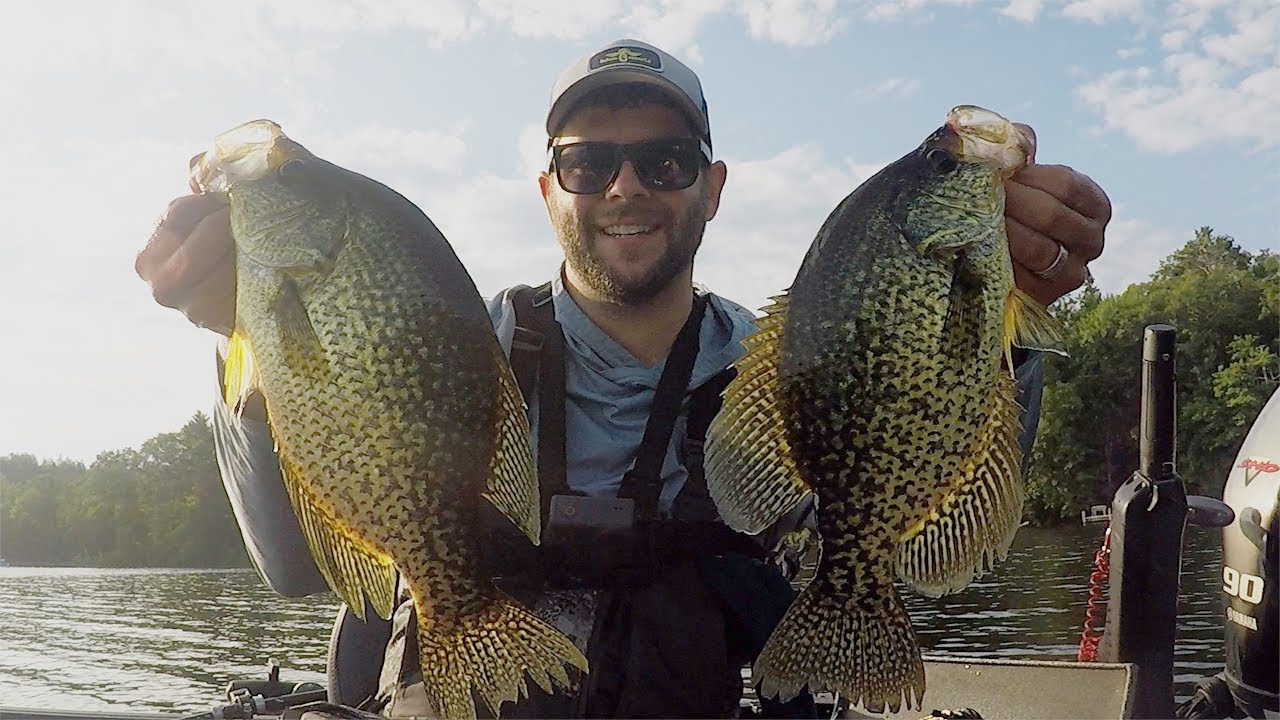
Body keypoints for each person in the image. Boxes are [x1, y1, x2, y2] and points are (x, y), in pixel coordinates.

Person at [135, 38, 1111, 719]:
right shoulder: (443, 342)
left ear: (711, 184)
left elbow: (909, 533)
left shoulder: (783, 359)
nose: (625, 187)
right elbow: (293, 566)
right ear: (547, 189)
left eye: (663, 159)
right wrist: (238, 330)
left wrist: (1005, 312)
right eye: (588, 161)